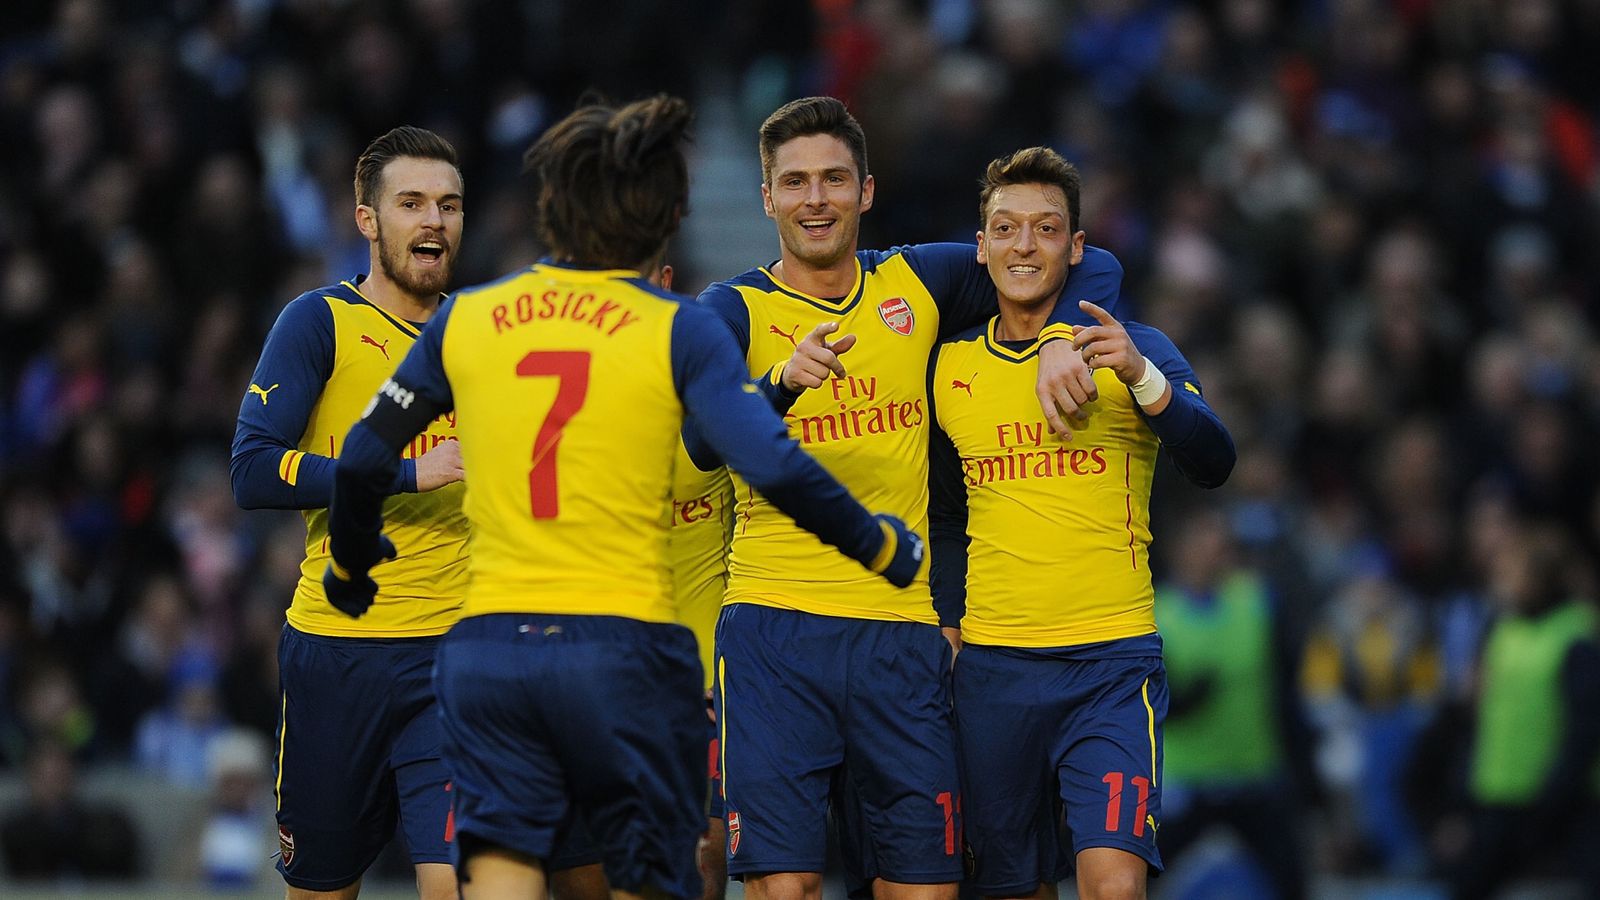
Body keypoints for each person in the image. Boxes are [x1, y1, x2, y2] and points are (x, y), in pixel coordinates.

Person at [320, 95, 925, 900]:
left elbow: (362, 459)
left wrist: (351, 565)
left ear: (554, 206)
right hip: (628, 651)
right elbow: (773, 464)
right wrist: (876, 543)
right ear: (665, 217)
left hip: (494, 651)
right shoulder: (677, 326)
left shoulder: (469, 318)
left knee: (501, 877)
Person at [697, 96, 1124, 900]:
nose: (815, 198)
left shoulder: (916, 281)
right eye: (795, 182)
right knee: (785, 888)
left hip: (901, 635)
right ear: (766, 198)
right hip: (774, 628)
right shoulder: (731, 310)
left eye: (834, 179)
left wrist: (1057, 339)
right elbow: (698, 441)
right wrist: (778, 384)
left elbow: (1088, 263)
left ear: (866, 191)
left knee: (925, 891)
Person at [229, 125, 604, 900]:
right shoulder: (319, 323)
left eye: (449, 205)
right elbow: (253, 469)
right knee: (322, 889)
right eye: (411, 203)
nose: (433, 219)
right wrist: (402, 472)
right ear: (367, 219)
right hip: (338, 654)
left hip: (459, 656)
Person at [928, 147, 1235, 900]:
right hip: (994, 669)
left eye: (1045, 228)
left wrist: (1141, 377)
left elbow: (1214, 458)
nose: (1024, 245)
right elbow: (944, 512)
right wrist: (949, 621)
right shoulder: (948, 368)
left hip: (1111, 665)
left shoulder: (1132, 350)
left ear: (1076, 247)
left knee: (1115, 886)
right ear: (981, 246)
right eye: (1006, 228)